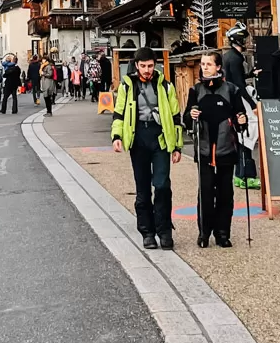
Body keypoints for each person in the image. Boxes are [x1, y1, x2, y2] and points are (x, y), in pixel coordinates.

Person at [110, 46, 184, 250]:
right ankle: (147, 231)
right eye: (143, 66)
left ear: (156, 65)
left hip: (160, 138)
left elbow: (176, 116)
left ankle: (164, 230)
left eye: (150, 66)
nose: (147, 70)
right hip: (138, 138)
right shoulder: (127, 86)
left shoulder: (166, 86)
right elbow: (119, 113)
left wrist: (177, 146)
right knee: (142, 189)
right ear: (136, 66)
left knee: (162, 186)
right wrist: (117, 136)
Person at [186, 50, 250, 248]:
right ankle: (204, 233)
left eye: (209, 64)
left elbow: (241, 118)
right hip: (204, 149)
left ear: (218, 67)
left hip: (226, 149)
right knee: (205, 192)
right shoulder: (196, 90)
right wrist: (191, 115)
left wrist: (242, 120)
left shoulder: (231, 90)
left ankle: (222, 233)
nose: (204, 67)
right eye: (203, 64)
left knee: (225, 194)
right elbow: (186, 119)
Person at [221, 25, 259, 189]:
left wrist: (250, 74)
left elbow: (234, 78)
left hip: (229, 97)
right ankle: (247, 175)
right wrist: (252, 105)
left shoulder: (228, 56)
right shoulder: (236, 58)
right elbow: (239, 85)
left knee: (239, 136)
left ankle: (239, 175)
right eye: (244, 39)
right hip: (240, 100)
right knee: (247, 134)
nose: (246, 41)